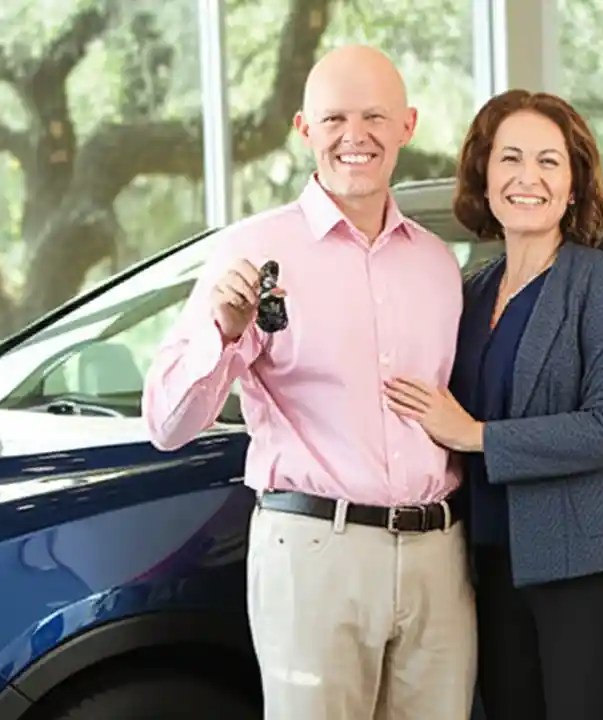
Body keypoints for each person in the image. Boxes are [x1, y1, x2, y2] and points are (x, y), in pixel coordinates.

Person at [142, 44, 475, 719]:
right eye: (335, 119)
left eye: (376, 116)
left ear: (407, 125)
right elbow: (166, 425)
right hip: (318, 555)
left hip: (440, 556)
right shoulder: (252, 251)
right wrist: (225, 330)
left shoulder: (439, 265)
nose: (357, 137)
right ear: (303, 130)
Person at [384, 89, 603, 720]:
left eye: (548, 162)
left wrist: (477, 435)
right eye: (509, 159)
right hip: (490, 566)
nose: (526, 178)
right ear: (484, 177)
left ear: (573, 184)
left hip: (590, 571)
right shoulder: (471, 293)